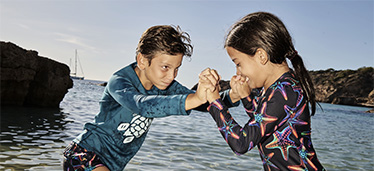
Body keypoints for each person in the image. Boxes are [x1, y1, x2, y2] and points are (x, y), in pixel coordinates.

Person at [62, 25, 239, 171]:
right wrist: (195, 98)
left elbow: (200, 104)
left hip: (112, 165)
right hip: (84, 155)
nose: (171, 76)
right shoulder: (120, 82)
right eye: (165, 67)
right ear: (142, 61)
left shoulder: (165, 84)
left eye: (176, 68)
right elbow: (143, 106)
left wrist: (233, 94)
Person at [202, 12, 325, 170]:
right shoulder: (280, 87)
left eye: (238, 63)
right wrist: (246, 97)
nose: (238, 72)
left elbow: (241, 143)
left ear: (261, 56)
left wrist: (214, 102)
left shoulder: (284, 91)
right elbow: (263, 124)